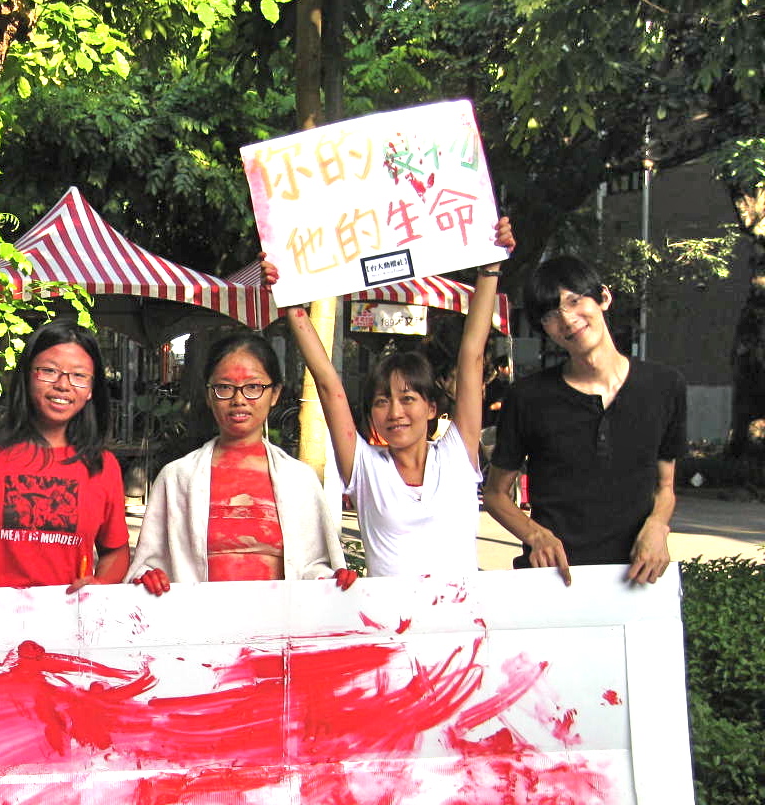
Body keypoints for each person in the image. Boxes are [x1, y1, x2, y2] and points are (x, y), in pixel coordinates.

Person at [277, 217, 515, 578]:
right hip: (389, 629)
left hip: (460, 627)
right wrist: (292, 301)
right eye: (381, 400)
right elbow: (328, 384)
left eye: (407, 398)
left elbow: (472, 355)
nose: (395, 412)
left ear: (432, 407)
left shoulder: (457, 455)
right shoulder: (365, 468)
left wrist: (490, 269)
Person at [482, 256, 687, 586]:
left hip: (636, 579)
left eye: (574, 301)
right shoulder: (528, 397)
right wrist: (536, 536)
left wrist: (658, 526)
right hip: (553, 581)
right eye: (550, 315)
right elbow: (495, 494)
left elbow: (665, 487)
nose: (567, 319)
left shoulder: (665, 386)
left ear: (603, 297)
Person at [127, 331, 348, 594]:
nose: (239, 400)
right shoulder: (177, 478)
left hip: (281, 628)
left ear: (275, 393)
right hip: (198, 629)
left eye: (254, 387)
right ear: (209, 395)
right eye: (224, 388)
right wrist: (148, 577)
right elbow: (147, 566)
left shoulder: (299, 479)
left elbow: (313, 567)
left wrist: (331, 581)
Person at [0, 321, 129, 595]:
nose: (63, 385)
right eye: (49, 371)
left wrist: (100, 587)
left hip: (70, 627)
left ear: (92, 389)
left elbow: (115, 551)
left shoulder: (103, 465)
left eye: (79, 376)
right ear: (27, 376)